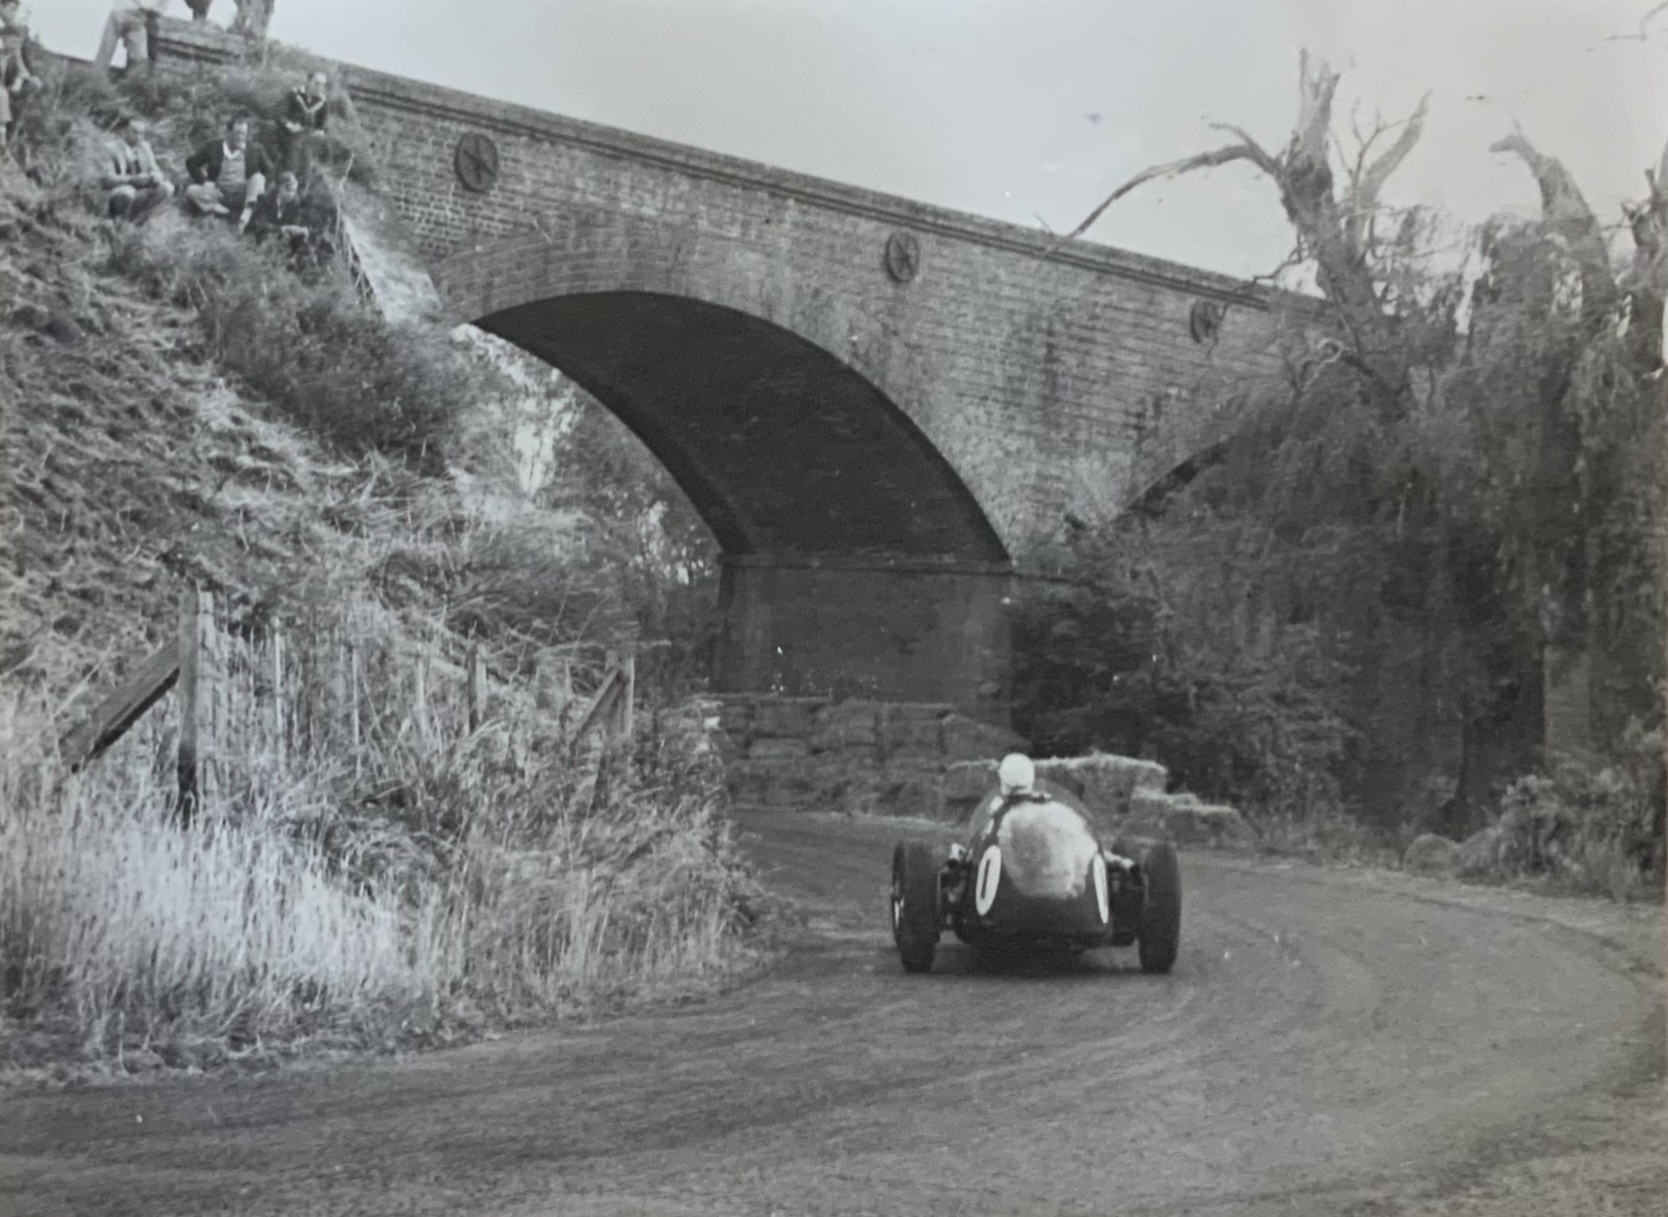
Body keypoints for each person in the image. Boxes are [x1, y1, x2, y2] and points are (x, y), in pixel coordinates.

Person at [184, 113, 271, 232]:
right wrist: (203, 181)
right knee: (191, 190)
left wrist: (261, 187)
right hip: (219, 192)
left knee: (258, 177)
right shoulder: (213, 147)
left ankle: (245, 216)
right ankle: (221, 210)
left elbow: (268, 170)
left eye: (243, 134)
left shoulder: (255, 149)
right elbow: (192, 163)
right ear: (228, 133)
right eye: (237, 133)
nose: (240, 137)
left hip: (242, 193)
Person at [102, 115, 175, 221]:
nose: (139, 136)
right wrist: (133, 179)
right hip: (121, 189)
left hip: (141, 188)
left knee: (164, 188)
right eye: (134, 132)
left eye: (142, 133)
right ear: (125, 131)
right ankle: (118, 220)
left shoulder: (145, 146)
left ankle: (136, 219)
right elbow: (107, 180)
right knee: (127, 192)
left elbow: (155, 169)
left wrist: (155, 177)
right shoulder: (110, 148)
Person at [0, 2, 41, 148]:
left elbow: (21, 56)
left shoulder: (18, 29)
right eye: (11, 9)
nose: (14, 13)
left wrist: (27, 75)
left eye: (16, 10)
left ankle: (9, 139)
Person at [274, 70, 328, 178]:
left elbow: (321, 124)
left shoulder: (322, 101)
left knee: (307, 150)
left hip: (307, 135)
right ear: (308, 82)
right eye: (316, 83)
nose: (319, 87)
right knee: (297, 146)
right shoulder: (293, 94)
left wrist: (319, 132)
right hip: (288, 132)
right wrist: (290, 125)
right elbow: (280, 114)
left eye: (322, 85)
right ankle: (290, 176)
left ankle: (301, 183)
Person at [94, 0, 169, 76]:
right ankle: (96, 77)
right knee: (107, 48)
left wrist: (150, 10)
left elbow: (159, 10)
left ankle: (132, 82)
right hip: (122, 10)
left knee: (139, 57)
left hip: (138, 18)